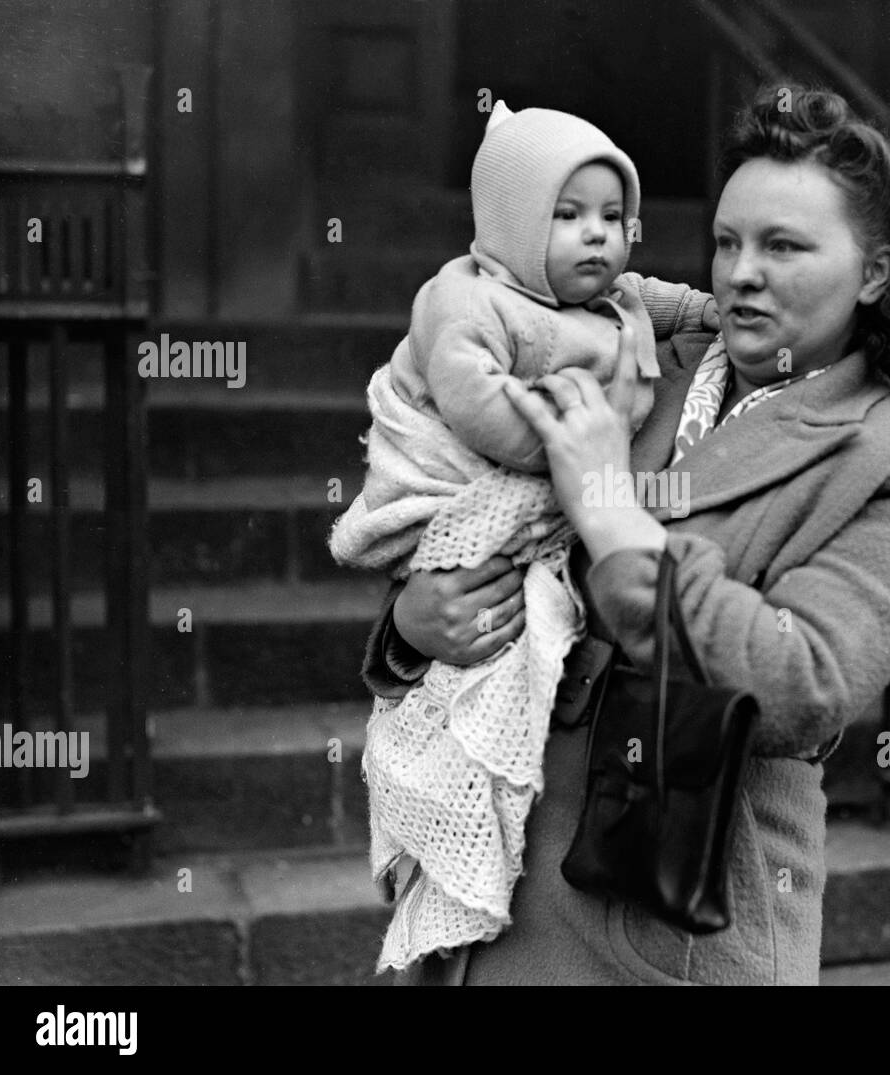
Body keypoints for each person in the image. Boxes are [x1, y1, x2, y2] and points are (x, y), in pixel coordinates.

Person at [361, 85, 890, 985]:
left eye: (783, 246)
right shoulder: (626, 357)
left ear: (875, 271)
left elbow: (799, 686)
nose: (741, 272)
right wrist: (414, 626)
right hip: (481, 906)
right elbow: (482, 507)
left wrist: (612, 512)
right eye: (729, 241)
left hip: (658, 940)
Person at [327, 99, 717, 971]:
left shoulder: (631, 322)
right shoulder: (469, 300)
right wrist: (409, 626)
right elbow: (468, 405)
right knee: (453, 716)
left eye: (614, 219)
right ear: (512, 225)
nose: (598, 239)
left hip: (599, 889)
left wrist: (705, 307)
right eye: (568, 217)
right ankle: (448, 828)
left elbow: (667, 299)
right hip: (463, 500)